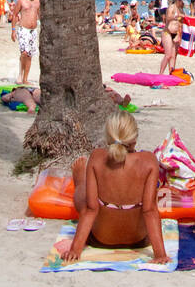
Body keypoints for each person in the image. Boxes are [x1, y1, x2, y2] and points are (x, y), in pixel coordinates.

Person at [62, 112, 169, 265]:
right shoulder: (149, 161)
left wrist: (75, 250)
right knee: (150, 199)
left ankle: (79, 181)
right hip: (139, 240)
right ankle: (82, 182)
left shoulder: (97, 157)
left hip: (101, 240)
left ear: (108, 136)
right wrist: (160, 254)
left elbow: (91, 210)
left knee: (83, 196)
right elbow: (149, 210)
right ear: (134, 138)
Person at [11, 0, 41, 85]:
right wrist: (13, 30)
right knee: (24, 53)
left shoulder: (37, 2)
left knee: (29, 55)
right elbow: (14, 15)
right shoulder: (21, 1)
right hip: (23, 30)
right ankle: (21, 74)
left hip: (33, 31)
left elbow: (40, 15)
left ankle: (25, 78)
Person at [159, 0, 183, 75]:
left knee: (173, 56)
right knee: (168, 55)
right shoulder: (172, 7)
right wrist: (177, 16)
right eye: (182, 2)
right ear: (179, 1)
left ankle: (171, 73)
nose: (183, 4)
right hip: (167, 33)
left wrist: (180, 36)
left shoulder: (181, 10)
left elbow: (181, 25)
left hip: (175, 34)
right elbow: (168, 18)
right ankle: (161, 74)